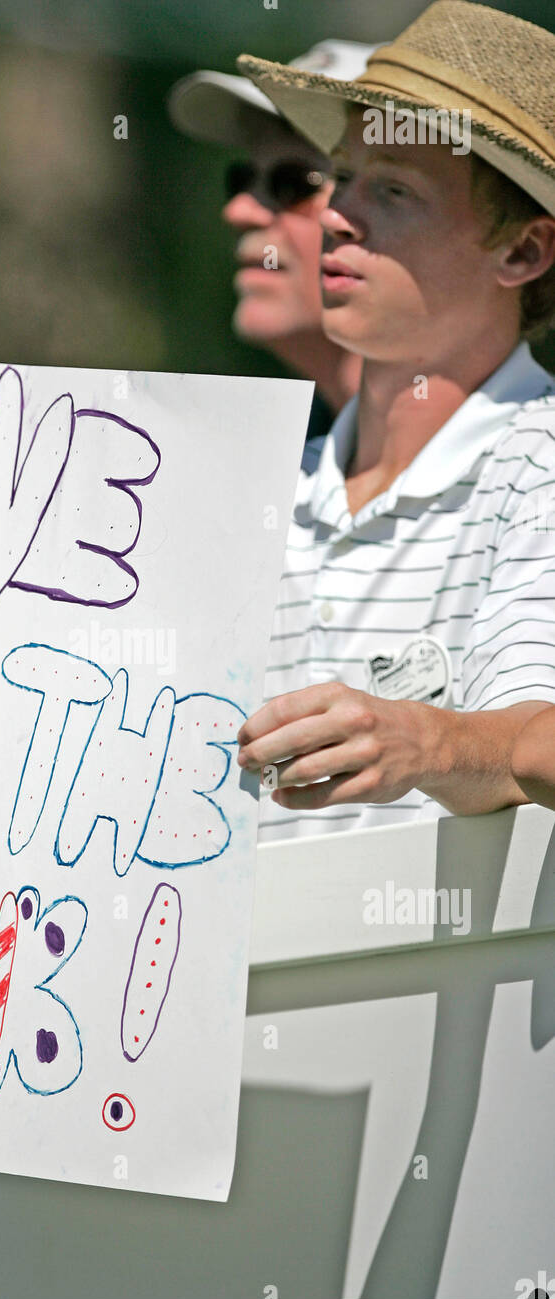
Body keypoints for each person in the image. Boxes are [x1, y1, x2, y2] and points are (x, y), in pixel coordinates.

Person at [231, 0, 555, 840]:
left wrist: (433, 740)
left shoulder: (541, 461)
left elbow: (540, 742)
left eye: (395, 190)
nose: (336, 211)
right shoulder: (263, 481)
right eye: (341, 175)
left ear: (523, 252)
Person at [168, 41, 373, 428]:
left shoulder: (514, 472)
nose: (239, 211)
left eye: (294, 183)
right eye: (242, 180)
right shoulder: (275, 453)